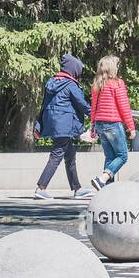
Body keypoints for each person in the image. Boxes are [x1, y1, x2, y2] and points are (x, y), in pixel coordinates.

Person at [33, 54, 91, 200]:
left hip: (54, 124)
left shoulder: (51, 82)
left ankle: (77, 188)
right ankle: (41, 187)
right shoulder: (70, 85)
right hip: (64, 125)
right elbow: (82, 105)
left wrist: (39, 125)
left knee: (70, 155)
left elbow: (43, 105)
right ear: (73, 70)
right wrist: (96, 114)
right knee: (57, 155)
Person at [79, 55, 137, 195]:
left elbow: (94, 107)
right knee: (122, 156)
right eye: (116, 65)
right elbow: (123, 106)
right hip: (113, 123)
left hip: (100, 124)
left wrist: (93, 125)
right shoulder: (117, 83)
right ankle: (102, 179)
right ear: (112, 68)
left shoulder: (97, 84)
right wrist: (131, 127)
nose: (118, 68)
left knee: (110, 156)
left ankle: (106, 189)